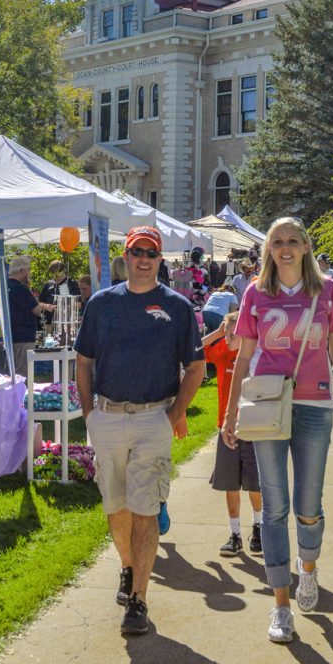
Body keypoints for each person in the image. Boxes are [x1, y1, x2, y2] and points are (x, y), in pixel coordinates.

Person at [222, 217, 333, 645]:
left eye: (292, 241)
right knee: (273, 507)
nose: (285, 248)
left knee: (308, 504)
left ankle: (308, 567)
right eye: (277, 241)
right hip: (268, 406)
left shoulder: (327, 291)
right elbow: (243, 357)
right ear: (268, 249)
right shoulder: (255, 292)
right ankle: (281, 605)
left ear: (305, 246)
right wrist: (230, 414)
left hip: (315, 405)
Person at [75, 225, 205, 637]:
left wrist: (173, 414)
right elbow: (83, 362)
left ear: (160, 259)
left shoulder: (178, 307)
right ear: (126, 257)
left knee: (146, 509)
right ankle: (128, 567)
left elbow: (196, 367)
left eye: (151, 253)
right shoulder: (101, 304)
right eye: (137, 252)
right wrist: (89, 415)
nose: (144, 259)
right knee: (116, 507)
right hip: (108, 417)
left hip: (153, 419)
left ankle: (139, 599)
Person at [203, 311, 262, 556]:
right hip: (226, 429)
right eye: (226, 334)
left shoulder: (255, 358)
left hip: (251, 428)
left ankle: (258, 527)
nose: (227, 339)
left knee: (255, 483)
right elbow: (194, 351)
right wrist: (217, 333)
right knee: (230, 483)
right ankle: (235, 534)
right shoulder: (222, 352)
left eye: (232, 335)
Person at [6, 256, 53, 377]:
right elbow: (36, 310)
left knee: (12, 372)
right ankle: (22, 390)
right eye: (28, 269)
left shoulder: (5, 286)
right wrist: (43, 306)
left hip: (9, 335)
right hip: (23, 336)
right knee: (22, 373)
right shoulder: (21, 288)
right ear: (22, 270)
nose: (29, 272)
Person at [39, 260, 80, 327]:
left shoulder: (72, 284)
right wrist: (46, 306)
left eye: (55, 272)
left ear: (62, 271)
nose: (54, 275)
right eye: (52, 272)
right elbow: (39, 303)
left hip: (67, 323)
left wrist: (66, 307)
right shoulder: (48, 285)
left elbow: (80, 303)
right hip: (49, 323)